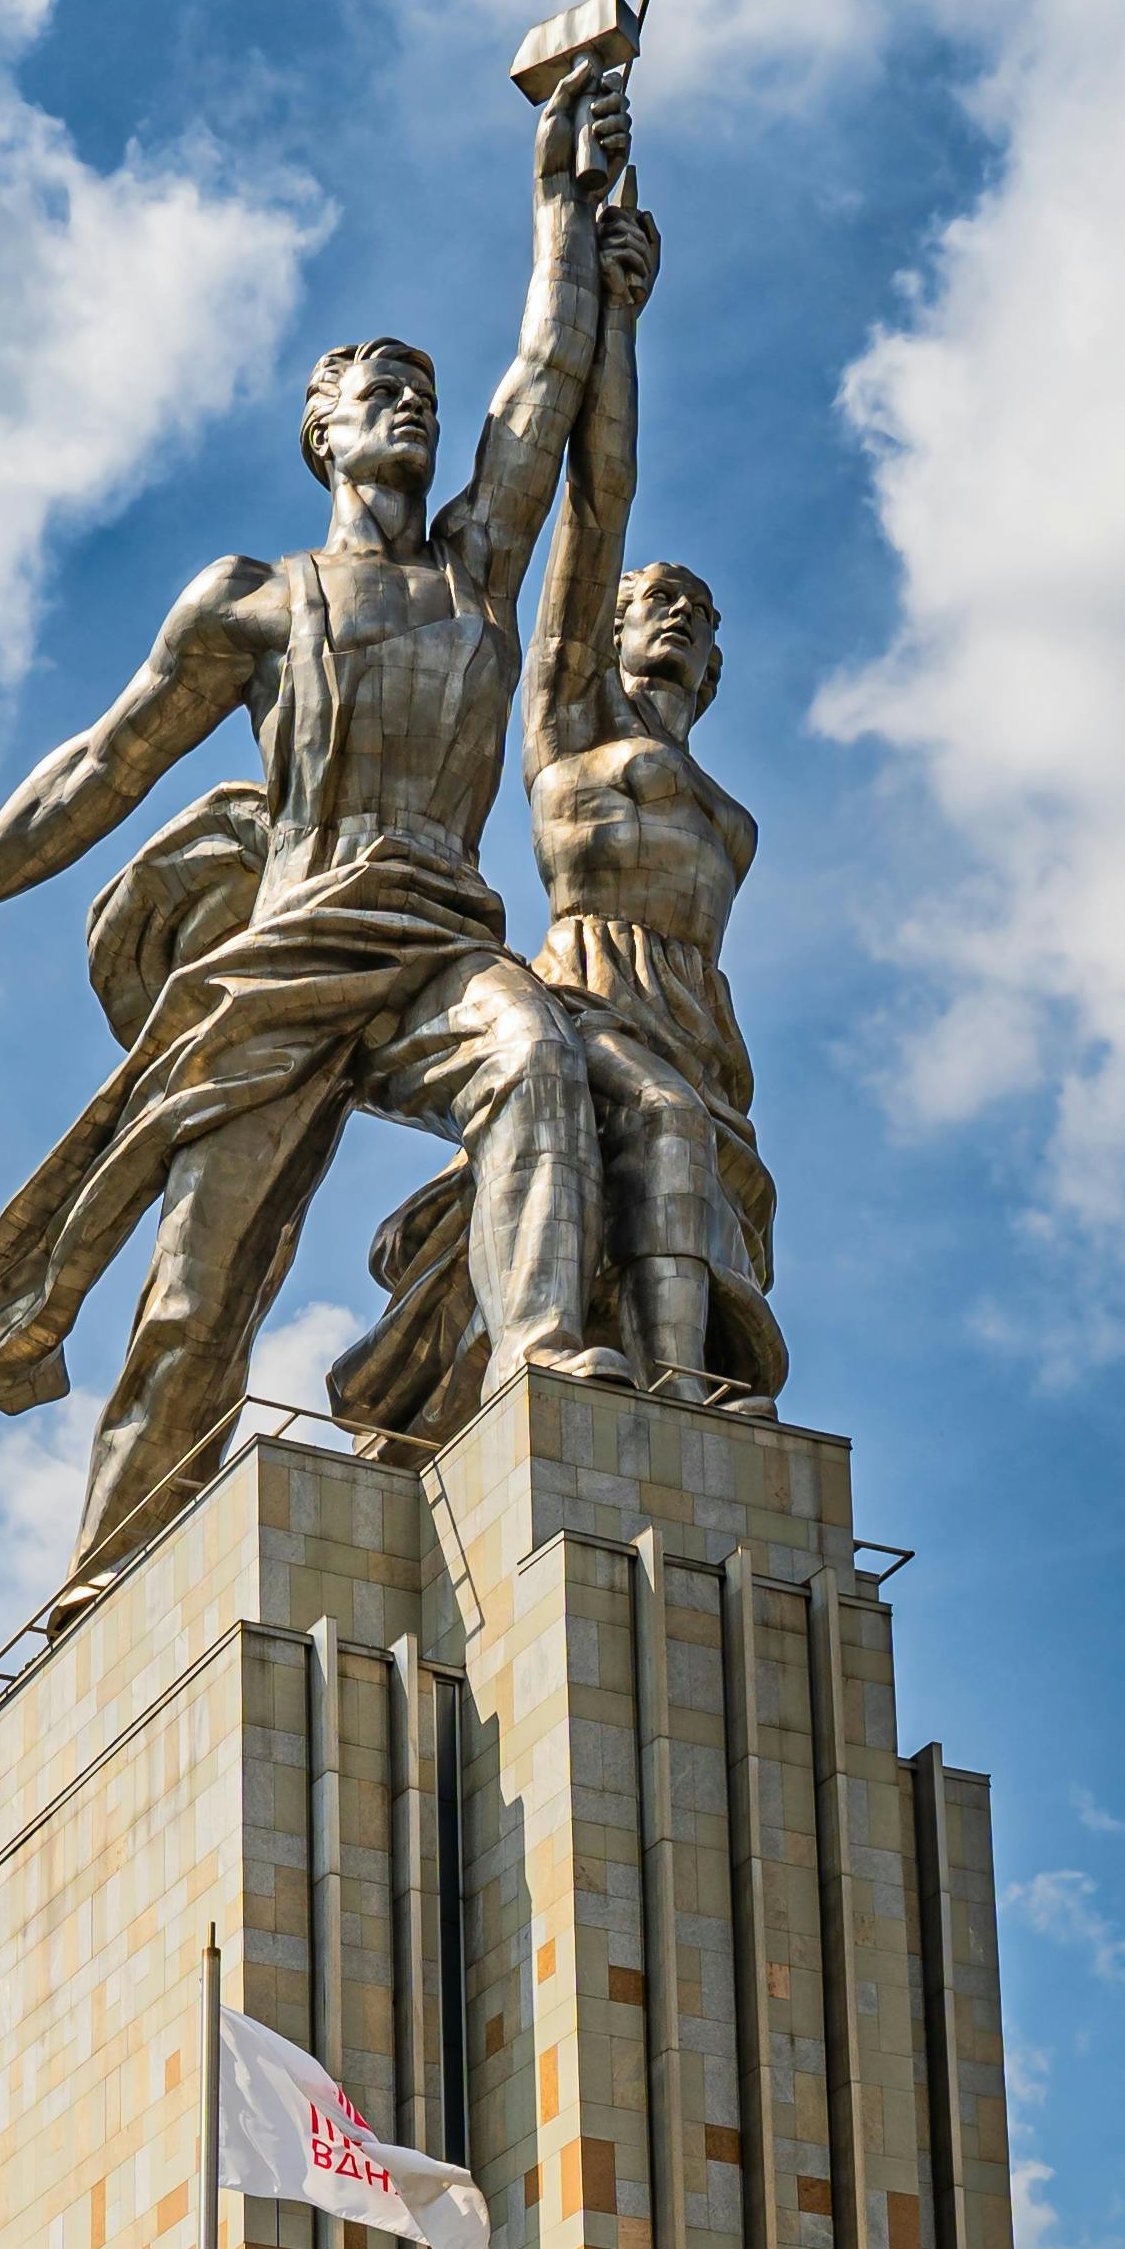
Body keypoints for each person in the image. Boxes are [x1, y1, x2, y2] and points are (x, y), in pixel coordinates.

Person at [0, 59, 641, 1619]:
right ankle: (112, 1572)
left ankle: (543, 1355)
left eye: (423, 387)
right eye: (376, 390)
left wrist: (559, 205)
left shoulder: (480, 570)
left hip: (428, 945)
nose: (411, 402)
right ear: (321, 436)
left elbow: (544, 380)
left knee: (533, 1059)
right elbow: (105, 762)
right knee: (197, 1292)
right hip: (285, 958)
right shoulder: (254, 600)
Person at [345, 190, 784, 1445]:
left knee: (679, 1164)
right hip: (586, 988)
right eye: (658, 600)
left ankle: (675, 1390)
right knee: (651, 1122)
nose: (679, 615)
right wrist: (620, 320)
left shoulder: (732, 820)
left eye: (700, 611)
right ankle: (662, 1386)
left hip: (694, 1014)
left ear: (716, 665)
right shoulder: (569, 731)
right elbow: (601, 500)